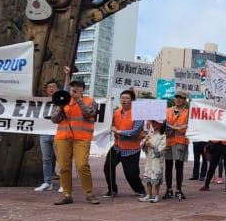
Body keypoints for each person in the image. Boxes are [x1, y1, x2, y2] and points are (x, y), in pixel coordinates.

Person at [52, 71, 99, 205]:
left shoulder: (90, 101)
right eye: (73, 86)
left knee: (82, 165)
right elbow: (54, 120)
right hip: (62, 138)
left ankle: (89, 193)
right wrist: (61, 107)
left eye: (79, 87)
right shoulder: (63, 101)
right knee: (63, 167)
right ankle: (67, 194)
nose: (76, 89)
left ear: (83, 89)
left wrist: (79, 101)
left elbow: (89, 113)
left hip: (82, 138)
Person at [102, 90, 147, 198]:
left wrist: (118, 131)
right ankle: (112, 189)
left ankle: (140, 189)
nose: (124, 100)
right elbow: (108, 123)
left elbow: (135, 132)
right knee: (108, 167)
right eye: (122, 98)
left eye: (127, 98)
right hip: (117, 147)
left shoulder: (138, 113)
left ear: (133, 100)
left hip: (131, 149)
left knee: (131, 174)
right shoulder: (117, 112)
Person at [35, 78, 61, 191]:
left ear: (58, 89)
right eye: (49, 87)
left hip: (58, 134)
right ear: (46, 90)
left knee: (61, 159)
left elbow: (66, 88)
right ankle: (47, 182)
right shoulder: (41, 102)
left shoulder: (62, 100)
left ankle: (64, 184)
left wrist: (66, 75)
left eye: (54, 87)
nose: (51, 88)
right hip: (44, 134)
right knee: (46, 159)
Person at [163, 91, 190, 200]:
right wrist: (175, 127)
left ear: (184, 100)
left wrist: (177, 127)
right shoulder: (167, 110)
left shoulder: (188, 112)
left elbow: (187, 126)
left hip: (180, 141)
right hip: (168, 140)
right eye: (176, 97)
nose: (178, 99)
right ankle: (168, 189)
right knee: (168, 166)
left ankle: (179, 189)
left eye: (181, 98)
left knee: (179, 167)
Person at [139, 113, 166, 203]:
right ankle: (148, 194)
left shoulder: (163, 136)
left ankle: (157, 195)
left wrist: (152, 146)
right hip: (149, 159)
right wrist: (145, 143)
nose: (154, 124)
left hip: (157, 160)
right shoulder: (150, 134)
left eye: (156, 122)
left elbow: (162, 148)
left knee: (156, 177)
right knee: (148, 176)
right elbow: (142, 144)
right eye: (153, 122)